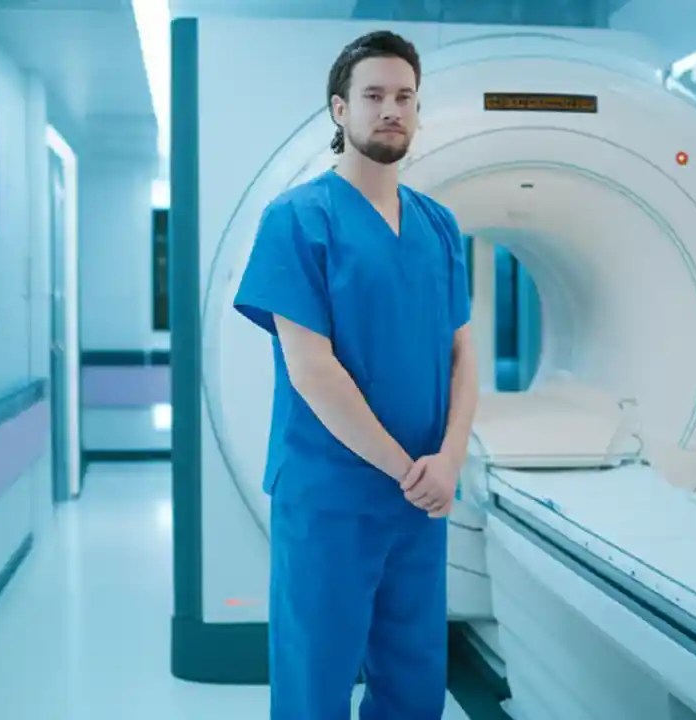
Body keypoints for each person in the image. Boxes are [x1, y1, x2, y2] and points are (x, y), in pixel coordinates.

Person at [232, 29, 480, 720]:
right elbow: (311, 370)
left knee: (414, 682)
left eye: (405, 96)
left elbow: (464, 355)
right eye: (373, 95)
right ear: (340, 110)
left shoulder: (438, 225)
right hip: (330, 497)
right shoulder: (298, 219)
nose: (391, 109)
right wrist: (411, 469)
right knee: (315, 683)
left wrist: (449, 459)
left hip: (421, 499)